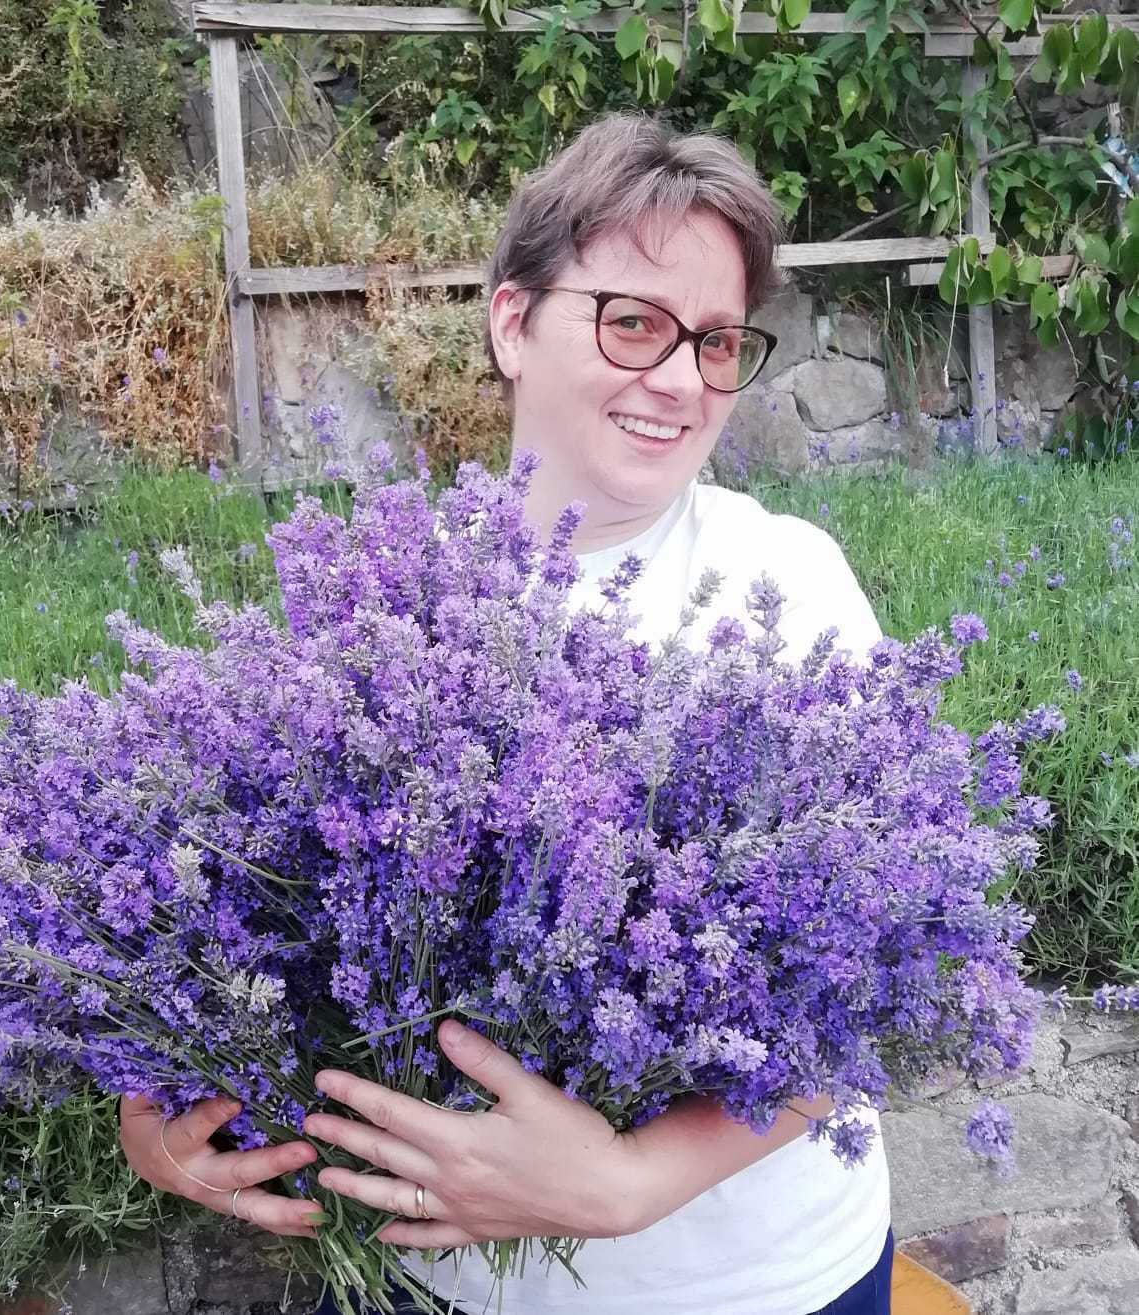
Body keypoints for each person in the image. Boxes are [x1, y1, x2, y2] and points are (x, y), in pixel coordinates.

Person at [120, 112, 894, 1315]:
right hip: (435, 1285)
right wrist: (169, 1107)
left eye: (719, 340)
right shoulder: (381, 599)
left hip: (754, 1287)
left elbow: (880, 976)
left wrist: (633, 1181)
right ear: (512, 323)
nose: (681, 378)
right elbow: (262, 924)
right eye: (633, 321)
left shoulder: (787, 586)